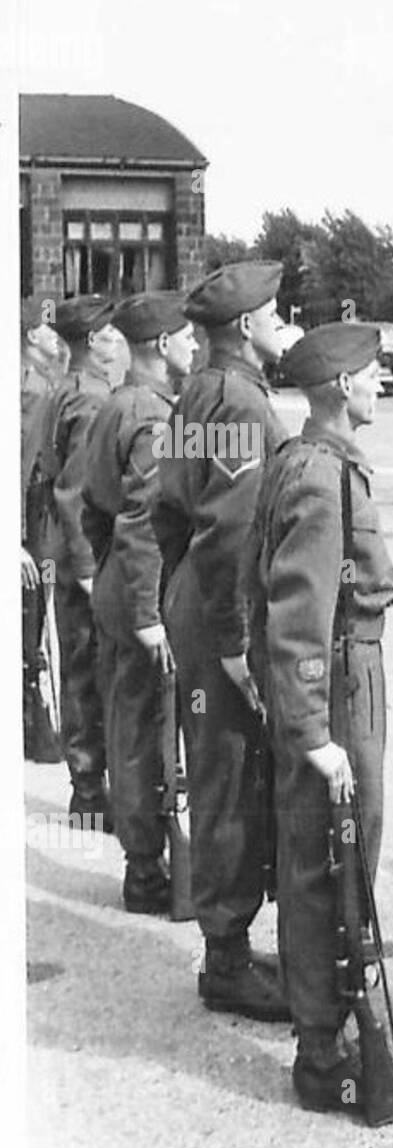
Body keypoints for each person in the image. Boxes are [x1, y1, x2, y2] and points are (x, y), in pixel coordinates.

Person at [243, 322, 393, 1115]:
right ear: (342, 387)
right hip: (338, 684)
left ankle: (327, 1030)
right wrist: (312, 734)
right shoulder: (319, 477)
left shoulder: (309, 461)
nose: (381, 383)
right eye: (372, 373)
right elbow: (297, 616)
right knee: (324, 864)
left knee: (333, 858)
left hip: (341, 676)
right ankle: (320, 1051)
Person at [152, 260, 293, 1019]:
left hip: (197, 601)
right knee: (229, 779)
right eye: (272, 314)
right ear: (244, 325)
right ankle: (227, 960)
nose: (280, 324)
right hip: (221, 613)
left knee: (221, 773)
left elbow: (168, 510)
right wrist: (234, 641)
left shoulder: (201, 390)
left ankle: (227, 944)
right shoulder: (236, 399)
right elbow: (231, 531)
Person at [81, 292, 198, 913]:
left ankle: (145, 865)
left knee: (130, 726)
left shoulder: (118, 403)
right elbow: (143, 525)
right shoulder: (155, 419)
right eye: (186, 336)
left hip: (118, 585)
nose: (194, 344)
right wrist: (149, 615)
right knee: (144, 736)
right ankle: (147, 871)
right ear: (160, 344)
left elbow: (91, 508)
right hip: (143, 598)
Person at [45, 294, 125, 825]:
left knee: (82, 669)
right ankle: (91, 794)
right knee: (88, 672)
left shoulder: (65, 390)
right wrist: (91, 571)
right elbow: (73, 492)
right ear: (93, 342)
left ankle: (89, 789)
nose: (117, 343)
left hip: (68, 554)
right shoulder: (92, 401)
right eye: (111, 335)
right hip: (85, 558)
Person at [20, 295, 64, 763]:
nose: (57, 337)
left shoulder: (40, 381)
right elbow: (18, 461)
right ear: (33, 335)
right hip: (31, 516)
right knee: (31, 623)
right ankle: (34, 726)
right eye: (50, 328)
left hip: (37, 513)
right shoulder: (31, 388)